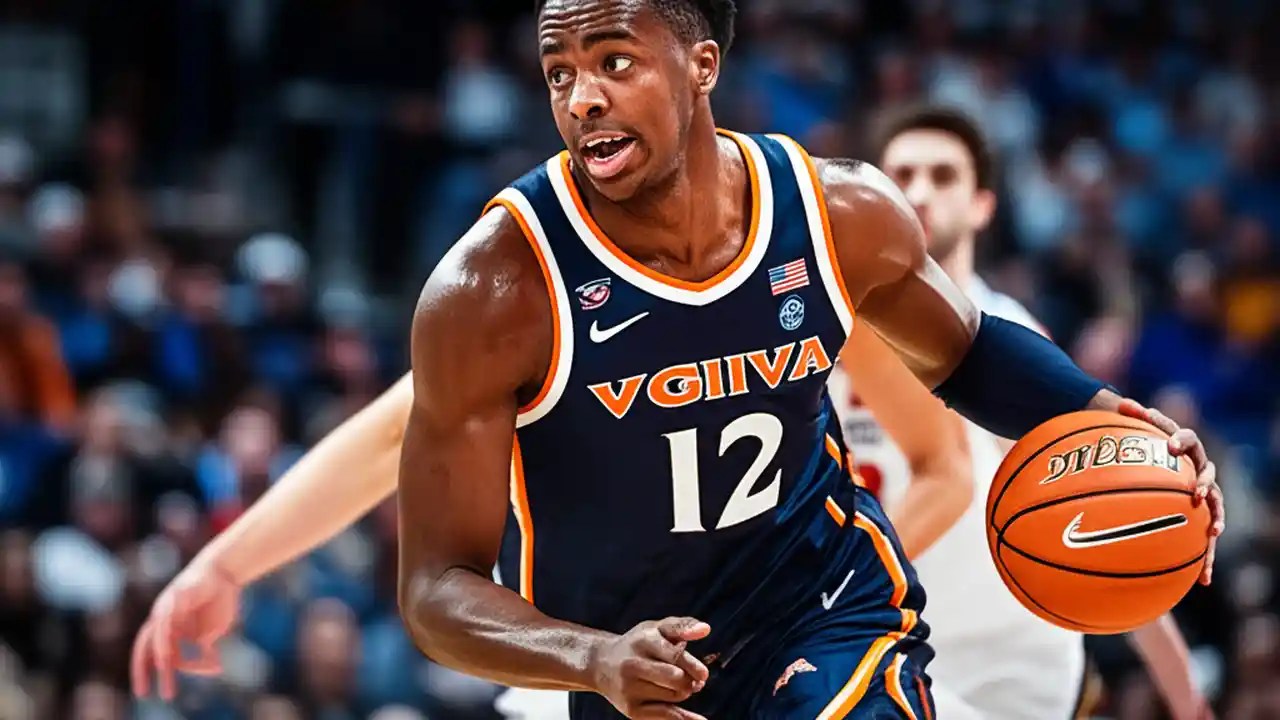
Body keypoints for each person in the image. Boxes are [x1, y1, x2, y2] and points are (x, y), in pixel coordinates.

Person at [136, 2, 1223, 718]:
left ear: (701, 63)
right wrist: (591, 661)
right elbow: (430, 589)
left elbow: (972, 356)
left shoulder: (833, 215)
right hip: (621, 659)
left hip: (823, 606)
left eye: (613, 61)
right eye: (559, 70)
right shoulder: (498, 289)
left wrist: (1103, 416)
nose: (580, 95)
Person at [828, 104, 1213, 720]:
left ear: (983, 205)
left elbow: (1120, 515)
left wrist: (1187, 699)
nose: (919, 192)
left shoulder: (1011, 344)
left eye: (943, 175)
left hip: (1007, 667)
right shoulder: (830, 324)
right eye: (901, 174)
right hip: (887, 643)